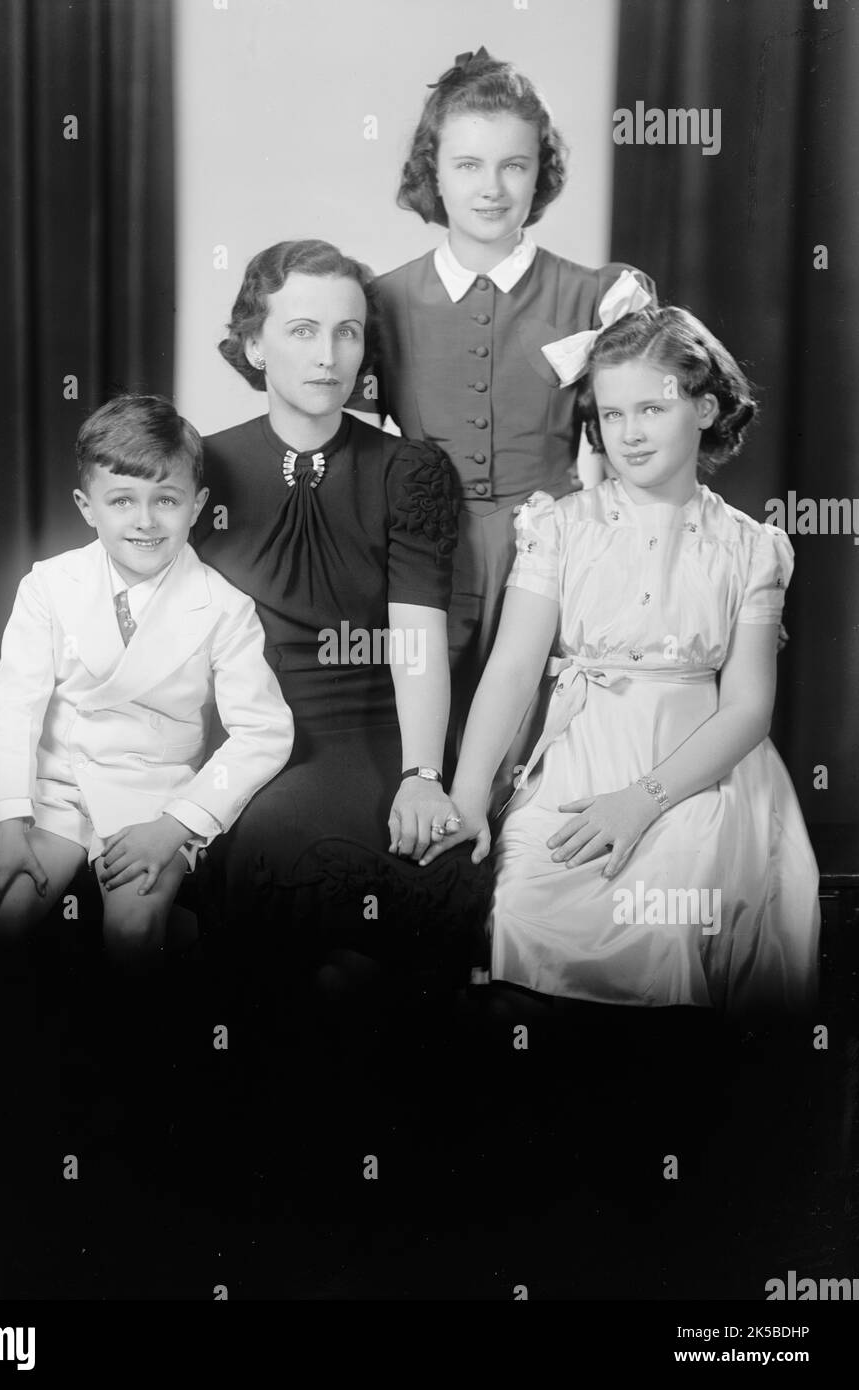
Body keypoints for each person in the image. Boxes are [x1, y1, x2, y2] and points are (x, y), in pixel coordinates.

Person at [423, 306, 820, 1014]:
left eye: (650, 409)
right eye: (611, 415)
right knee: (522, 905)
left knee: (664, 917)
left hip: (694, 774)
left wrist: (642, 801)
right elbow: (512, 670)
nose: (629, 433)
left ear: (703, 408)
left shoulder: (749, 547)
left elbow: (748, 710)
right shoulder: (559, 528)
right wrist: (468, 796)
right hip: (577, 763)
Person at [194, 239, 491, 979]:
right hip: (246, 734)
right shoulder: (202, 467)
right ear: (255, 346)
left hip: (371, 734)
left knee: (284, 855)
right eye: (302, 330)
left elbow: (416, 637)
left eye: (347, 331)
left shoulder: (408, 472)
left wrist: (421, 772)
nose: (329, 354)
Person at [366, 47, 655, 750]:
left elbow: (643, 443)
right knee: (416, 750)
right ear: (432, 173)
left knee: (537, 751)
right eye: (467, 165)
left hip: (557, 553)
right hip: (421, 561)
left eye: (513, 165)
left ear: (540, 172)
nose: (491, 188)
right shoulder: (384, 302)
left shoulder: (596, 295)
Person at [0, 393, 294, 962]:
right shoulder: (48, 585)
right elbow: (14, 709)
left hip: (154, 797)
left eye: (167, 499)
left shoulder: (224, 607)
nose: (145, 521)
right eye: (122, 500)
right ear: (87, 506)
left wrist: (175, 826)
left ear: (197, 505)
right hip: (56, 791)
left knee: (133, 933)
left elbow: (263, 734)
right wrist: (7, 823)